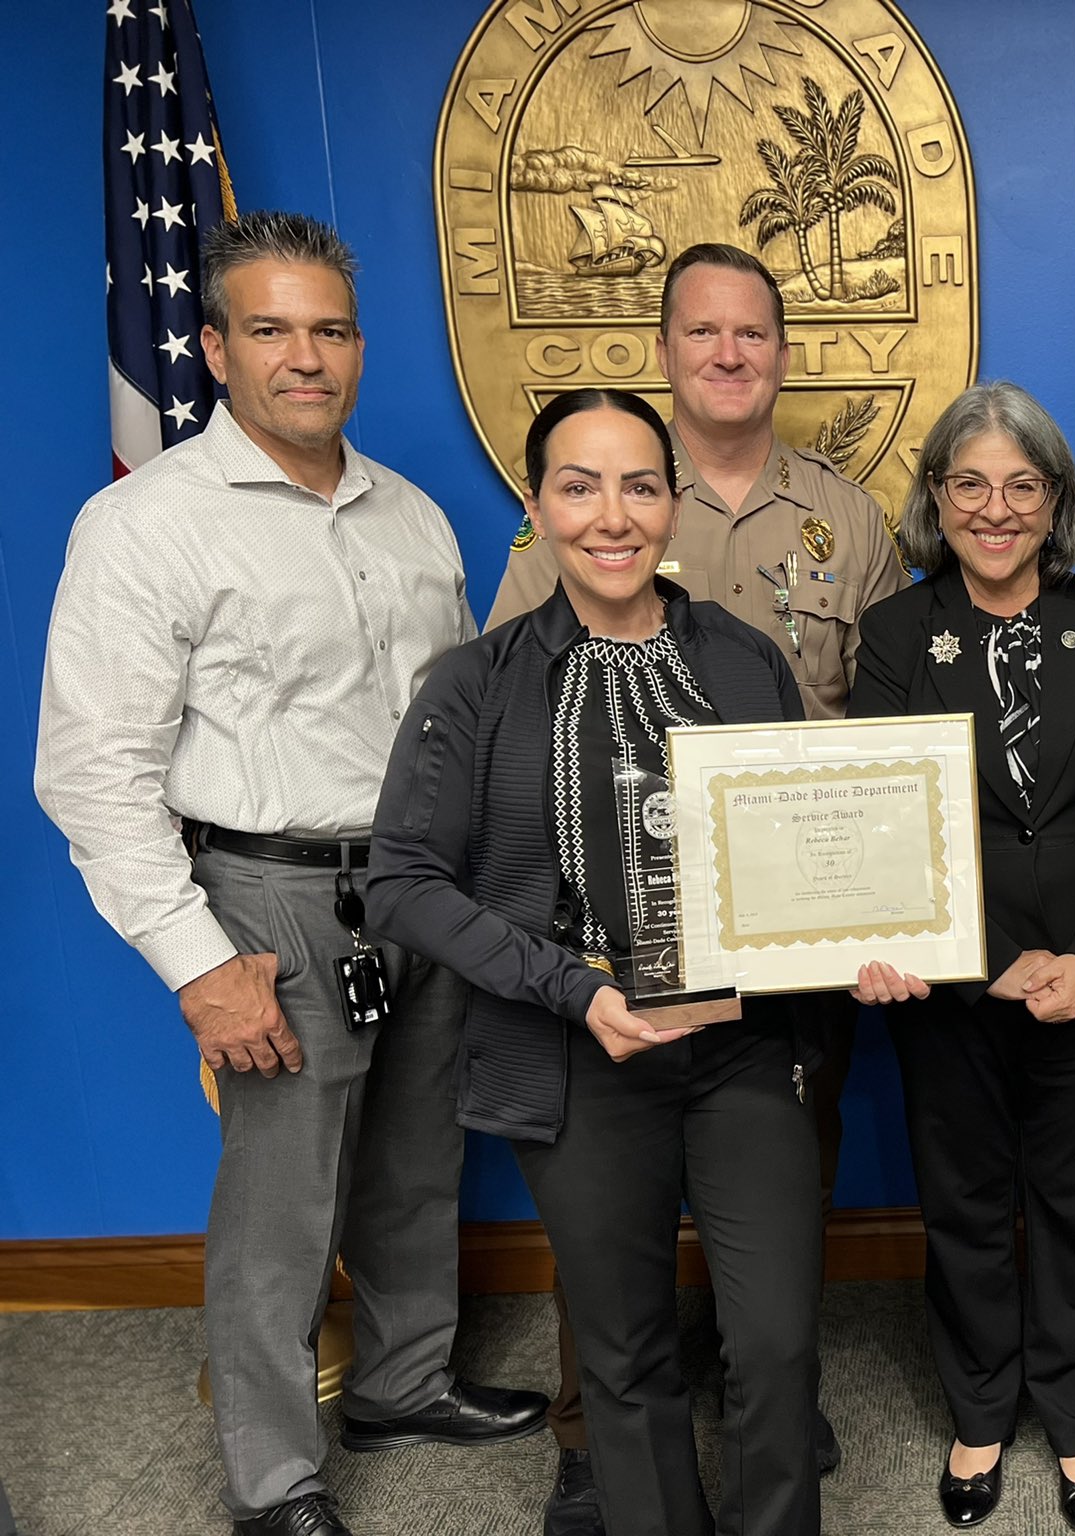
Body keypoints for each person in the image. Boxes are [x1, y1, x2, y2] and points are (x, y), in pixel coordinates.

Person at [33, 211, 547, 1536]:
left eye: (329, 330)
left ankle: (402, 1384)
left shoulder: (413, 517)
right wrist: (200, 966)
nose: (304, 357)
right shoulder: (145, 525)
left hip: (423, 887)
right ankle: (272, 1477)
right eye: (269, 329)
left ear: (360, 349)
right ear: (215, 347)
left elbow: (456, 725)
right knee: (281, 1201)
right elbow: (88, 774)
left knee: (417, 1158)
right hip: (268, 901)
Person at [487, 243, 902, 1517]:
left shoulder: (848, 519)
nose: (728, 354)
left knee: (783, 1172)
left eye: (752, 333)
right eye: (702, 332)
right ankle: (589, 1435)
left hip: (789, 934)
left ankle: (760, 1387)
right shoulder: (584, 513)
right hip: (610, 945)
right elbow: (511, 723)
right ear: (663, 351)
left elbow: (888, 729)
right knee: (604, 1215)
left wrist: (884, 904)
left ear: (781, 353)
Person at [366, 388, 823, 1536]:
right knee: (623, 1353)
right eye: (579, 487)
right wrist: (574, 989)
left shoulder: (746, 660)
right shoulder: (475, 683)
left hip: (737, 1051)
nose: (611, 516)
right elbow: (404, 884)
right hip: (573, 1058)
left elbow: (802, 849)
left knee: (775, 1343)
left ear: (671, 501)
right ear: (536, 507)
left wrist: (861, 942)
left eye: (638, 485)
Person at [846, 382, 1075, 1533]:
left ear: (1055, 501)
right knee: (964, 1202)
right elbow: (886, 822)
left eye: (1020, 485)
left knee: (1074, 1203)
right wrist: (985, 963)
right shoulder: (894, 635)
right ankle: (979, 1408)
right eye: (969, 483)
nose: (994, 508)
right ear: (935, 497)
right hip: (949, 985)